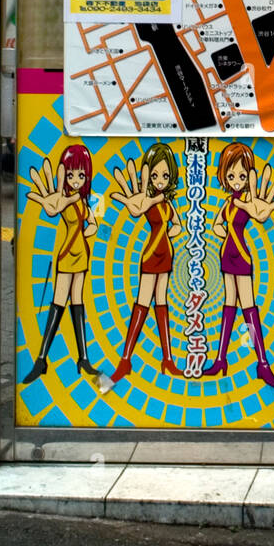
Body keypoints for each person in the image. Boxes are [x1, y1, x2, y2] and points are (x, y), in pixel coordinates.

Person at [203, 144, 274, 386]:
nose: (237, 180)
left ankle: (262, 362)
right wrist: (224, 232)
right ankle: (220, 359)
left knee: (249, 309)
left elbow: (259, 214)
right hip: (227, 255)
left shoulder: (250, 200)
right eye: (231, 176)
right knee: (229, 306)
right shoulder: (229, 202)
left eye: (242, 175)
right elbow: (218, 225)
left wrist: (259, 213)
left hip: (242, 257)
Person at [106, 143, 184, 383]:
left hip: (165, 255)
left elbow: (178, 225)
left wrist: (169, 236)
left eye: (165, 175)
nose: (160, 180)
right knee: (142, 304)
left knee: (161, 304)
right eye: (155, 175)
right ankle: (125, 360)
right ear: (147, 175)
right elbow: (137, 210)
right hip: (151, 255)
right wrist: (145, 202)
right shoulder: (147, 200)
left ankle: (167, 359)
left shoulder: (167, 204)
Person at [22, 146, 100, 383]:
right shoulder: (66, 199)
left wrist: (90, 229)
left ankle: (83, 358)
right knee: (58, 302)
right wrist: (52, 203)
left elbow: (93, 221)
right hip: (67, 255)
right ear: (63, 175)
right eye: (70, 175)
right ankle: (41, 359)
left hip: (82, 254)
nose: (75, 180)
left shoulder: (87, 199)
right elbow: (55, 208)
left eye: (80, 175)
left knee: (77, 302)